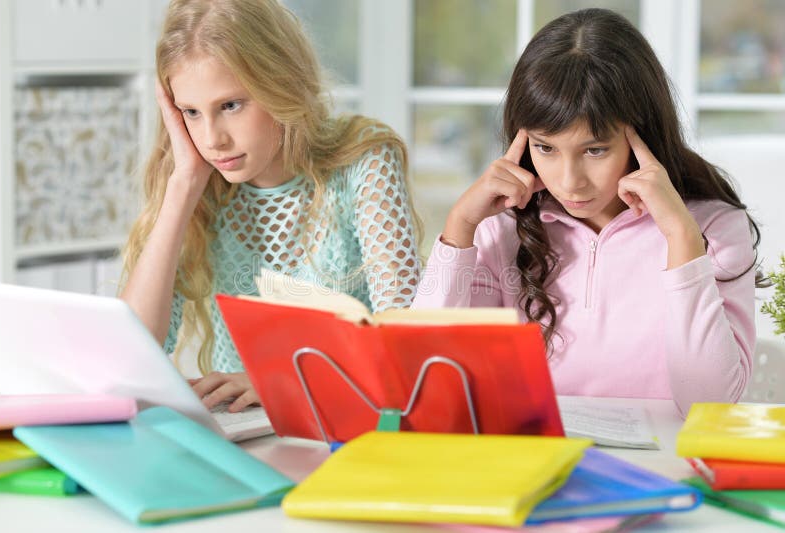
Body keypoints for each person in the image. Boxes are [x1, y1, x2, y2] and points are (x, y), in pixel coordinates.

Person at [412, 8, 763, 416]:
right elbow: (426, 379)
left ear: (641, 136)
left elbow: (711, 405)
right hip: (532, 466)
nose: (569, 180)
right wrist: (459, 229)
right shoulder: (499, 231)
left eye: (594, 150)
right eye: (545, 148)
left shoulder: (714, 228)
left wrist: (682, 238)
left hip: (668, 470)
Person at [121, 0, 421, 413]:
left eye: (230, 105)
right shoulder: (202, 183)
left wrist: (282, 380)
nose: (212, 139)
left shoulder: (363, 161)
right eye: (191, 112)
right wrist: (183, 185)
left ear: (280, 84)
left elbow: (406, 340)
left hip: (348, 418)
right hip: (247, 428)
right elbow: (132, 353)